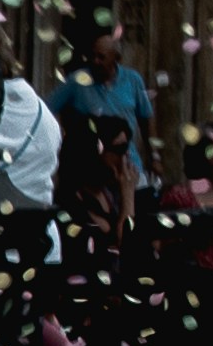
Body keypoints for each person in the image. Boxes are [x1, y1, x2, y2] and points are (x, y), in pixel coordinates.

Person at [53, 16, 154, 236]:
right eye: (93, 56)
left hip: (128, 166)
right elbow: (49, 107)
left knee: (140, 225)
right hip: (95, 168)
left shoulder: (133, 80)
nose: (95, 61)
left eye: (101, 57)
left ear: (116, 59)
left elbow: (146, 118)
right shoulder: (78, 81)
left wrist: (154, 156)